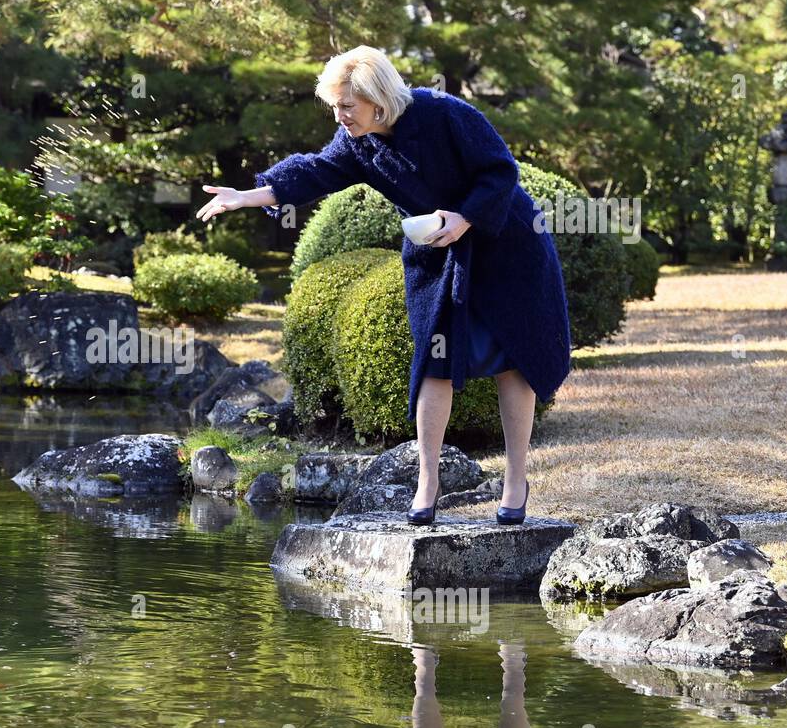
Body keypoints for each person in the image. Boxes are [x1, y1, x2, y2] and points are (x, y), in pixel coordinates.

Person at [197, 46, 572, 525]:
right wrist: (248, 196)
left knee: (514, 360)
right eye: (334, 106)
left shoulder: (445, 113)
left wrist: (464, 218)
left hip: (507, 244)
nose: (339, 116)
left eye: (347, 106)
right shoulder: (357, 141)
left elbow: (500, 170)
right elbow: (315, 170)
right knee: (434, 361)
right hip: (435, 252)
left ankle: (516, 480)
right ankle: (427, 481)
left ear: (378, 100)